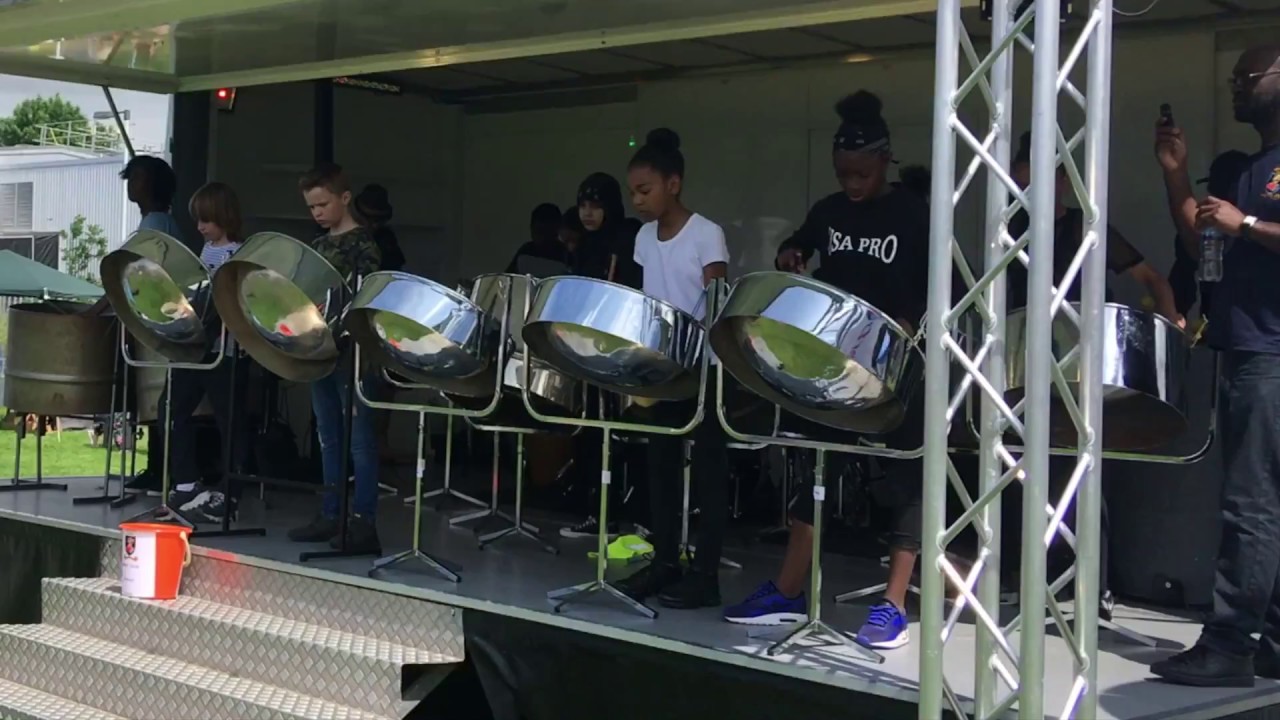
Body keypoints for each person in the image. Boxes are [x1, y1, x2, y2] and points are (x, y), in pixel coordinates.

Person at [722, 91, 931, 648]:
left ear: (885, 161)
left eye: (861, 173)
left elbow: (949, 283)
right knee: (812, 467)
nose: (851, 184)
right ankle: (789, 592)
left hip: (898, 364)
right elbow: (801, 244)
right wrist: (791, 252)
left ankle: (893, 606)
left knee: (909, 476)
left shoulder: (913, 212)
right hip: (835, 364)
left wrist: (912, 321)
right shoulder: (829, 211)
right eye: (843, 174)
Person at [1150, 43, 1280, 688]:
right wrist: (1176, 173)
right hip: (1244, 347)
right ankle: (1271, 642)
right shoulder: (1242, 167)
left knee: (1250, 506)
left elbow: (1236, 224)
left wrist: (1247, 221)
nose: (1235, 87)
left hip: (1273, 355)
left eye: (1247, 77)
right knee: (1261, 503)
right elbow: (1199, 237)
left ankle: (1230, 645)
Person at [612, 128, 731, 609]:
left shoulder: (706, 233)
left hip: (704, 367)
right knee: (659, 466)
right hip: (662, 369)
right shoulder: (643, 237)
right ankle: (664, 563)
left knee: (707, 471)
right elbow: (648, 298)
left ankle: (706, 574)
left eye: (645, 190)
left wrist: (690, 342)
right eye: (633, 192)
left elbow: (718, 299)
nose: (637, 200)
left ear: (673, 184)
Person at [287, 163, 384, 553]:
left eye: (323, 204)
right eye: (312, 207)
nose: (318, 213)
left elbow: (367, 298)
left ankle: (363, 522)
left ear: (345, 198)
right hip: (319, 351)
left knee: (360, 441)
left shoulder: (365, 245)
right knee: (328, 437)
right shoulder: (316, 246)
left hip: (354, 354)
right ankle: (331, 513)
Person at [1005, 131, 1183, 326]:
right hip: (1025, 334)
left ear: (1064, 183)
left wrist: (1171, 320)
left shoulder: (1084, 226)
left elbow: (1151, 278)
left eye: (1042, 182)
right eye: (1025, 185)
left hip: (1084, 336)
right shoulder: (1008, 229)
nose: (1033, 193)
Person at [162, 182, 252, 523]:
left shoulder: (238, 252)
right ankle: (186, 482)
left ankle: (231, 493)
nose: (201, 226)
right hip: (194, 349)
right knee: (171, 410)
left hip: (224, 351)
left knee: (229, 421)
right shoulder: (203, 251)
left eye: (207, 220)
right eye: (198, 220)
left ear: (224, 217)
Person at [118, 155, 184, 495]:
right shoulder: (158, 222)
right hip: (161, 321)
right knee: (160, 403)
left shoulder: (156, 223)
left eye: (139, 178)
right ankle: (157, 468)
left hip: (159, 323)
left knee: (160, 402)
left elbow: (138, 274)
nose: (132, 184)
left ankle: (160, 469)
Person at [1168, 151, 1251, 320]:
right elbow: (1182, 282)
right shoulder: (1204, 228)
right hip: (1214, 326)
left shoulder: (1261, 225)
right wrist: (1176, 317)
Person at [572, 172, 643, 288]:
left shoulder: (628, 236)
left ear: (610, 207)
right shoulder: (584, 243)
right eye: (582, 205)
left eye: (595, 206)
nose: (587, 213)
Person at [507, 203, 572, 277]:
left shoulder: (566, 255)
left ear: (556, 230)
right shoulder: (526, 252)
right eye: (537, 231)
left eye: (546, 232)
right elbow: (508, 279)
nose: (541, 238)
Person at [354, 183, 406, 272]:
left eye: (379, 220)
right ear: (359, 215)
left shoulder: (386, 239)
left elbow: (394, 271)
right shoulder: (343, 235)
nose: (375, 225)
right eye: (369, 219)